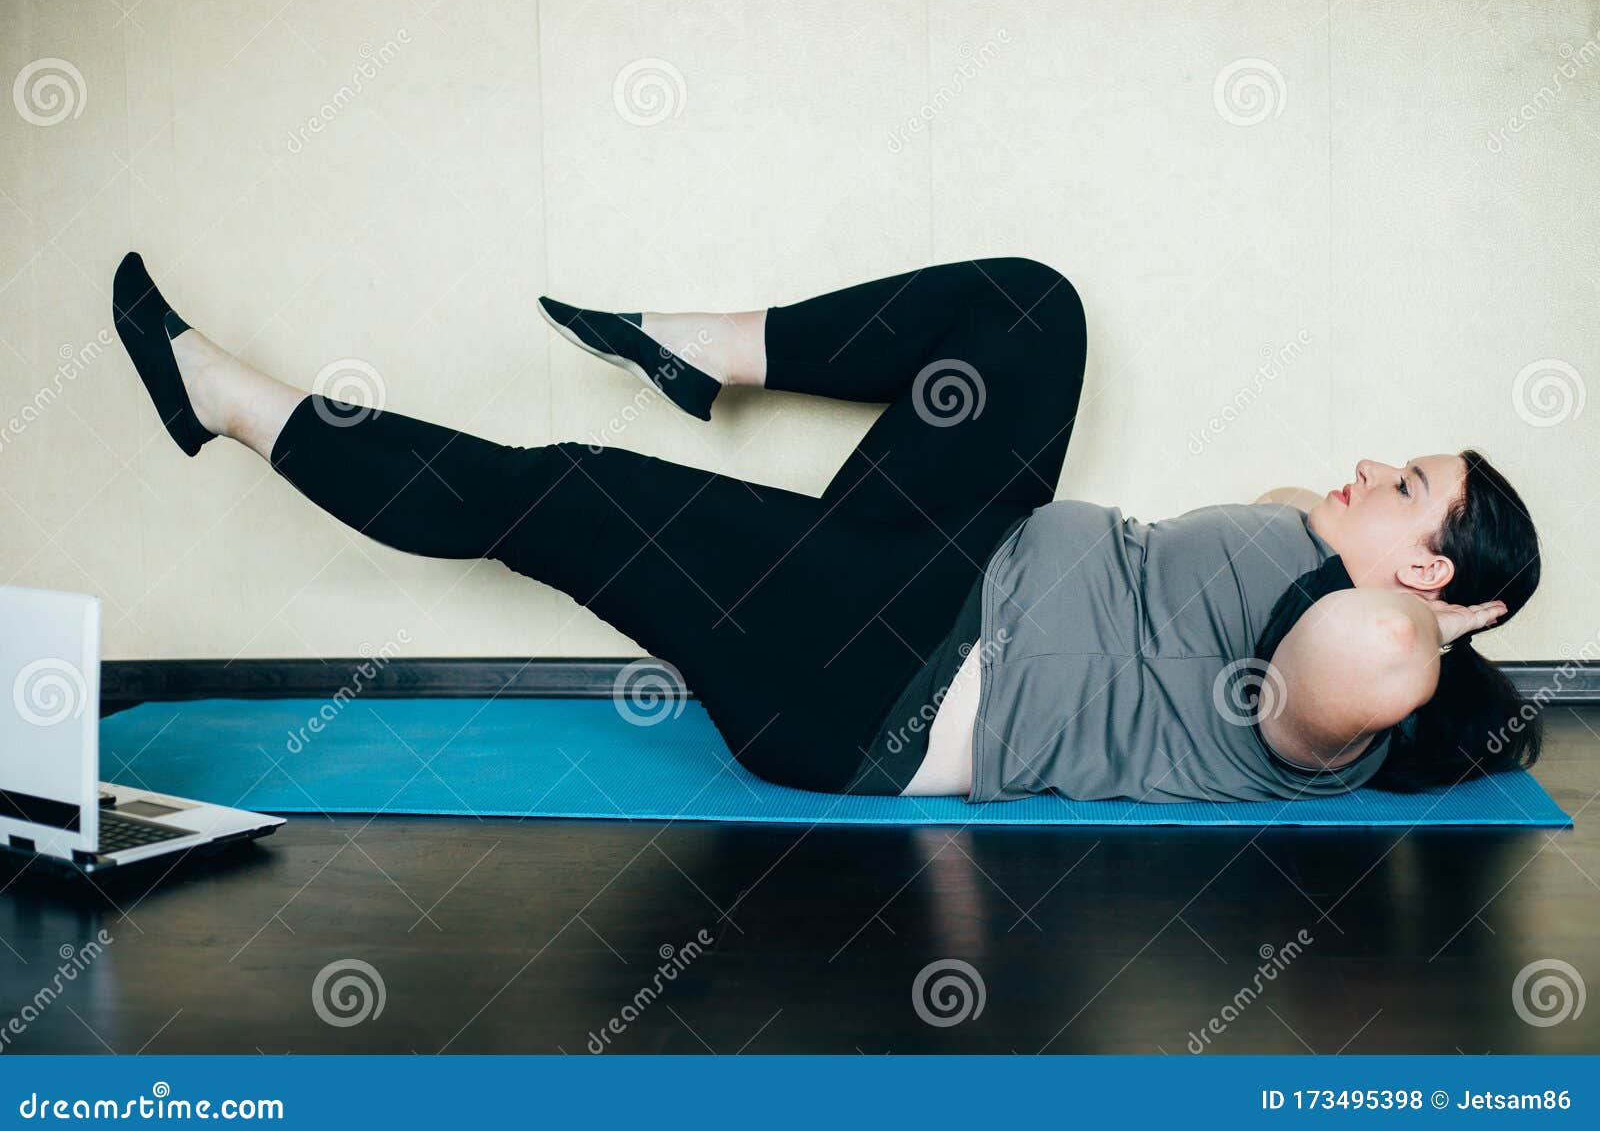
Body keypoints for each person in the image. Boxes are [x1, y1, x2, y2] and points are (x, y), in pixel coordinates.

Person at [110, 252, 1542, 804]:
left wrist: (1449, 624)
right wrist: (1359, 525)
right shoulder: (1317, 550)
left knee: (567, 490)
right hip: (939, 558)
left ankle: (231, 403)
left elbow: (1376, 647)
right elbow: (1297, 513)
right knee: (1032, 315)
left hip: (885, 689)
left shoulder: (1360, 682)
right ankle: (704, 345)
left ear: (1430, 582)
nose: (1370, 466)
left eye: (1409, 485)